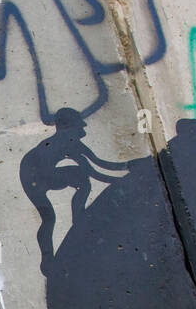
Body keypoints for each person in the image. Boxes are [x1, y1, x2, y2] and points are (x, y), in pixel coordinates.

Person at [19, 108, 129, 275]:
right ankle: (79, 218)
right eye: (80, 125)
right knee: (81, 179)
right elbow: (97, 168)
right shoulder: (70, 141)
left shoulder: (65, 141)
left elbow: (96, 167)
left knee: (48, 219)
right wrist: (123, 176)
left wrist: (121, 175)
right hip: (36, 173)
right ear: (70, 126)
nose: (83, 129)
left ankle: (47, 260)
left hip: (28, 173)